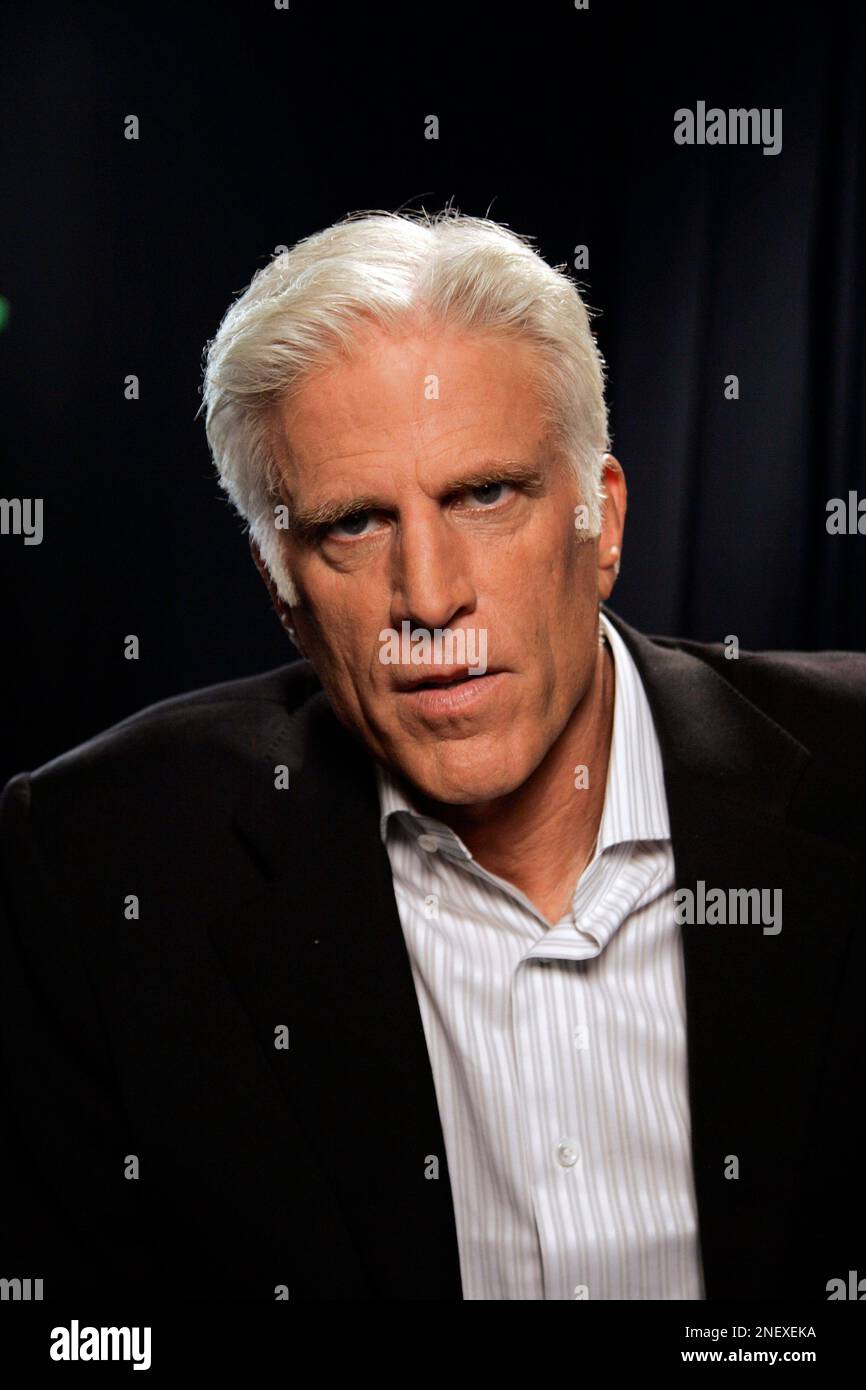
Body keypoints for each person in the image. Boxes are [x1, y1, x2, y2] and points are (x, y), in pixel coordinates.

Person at [1, 210, 863, 1302]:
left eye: (484, 494)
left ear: (600, 520)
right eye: (352, 524)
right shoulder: (100, 867)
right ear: (281, 592)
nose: (429, 595)